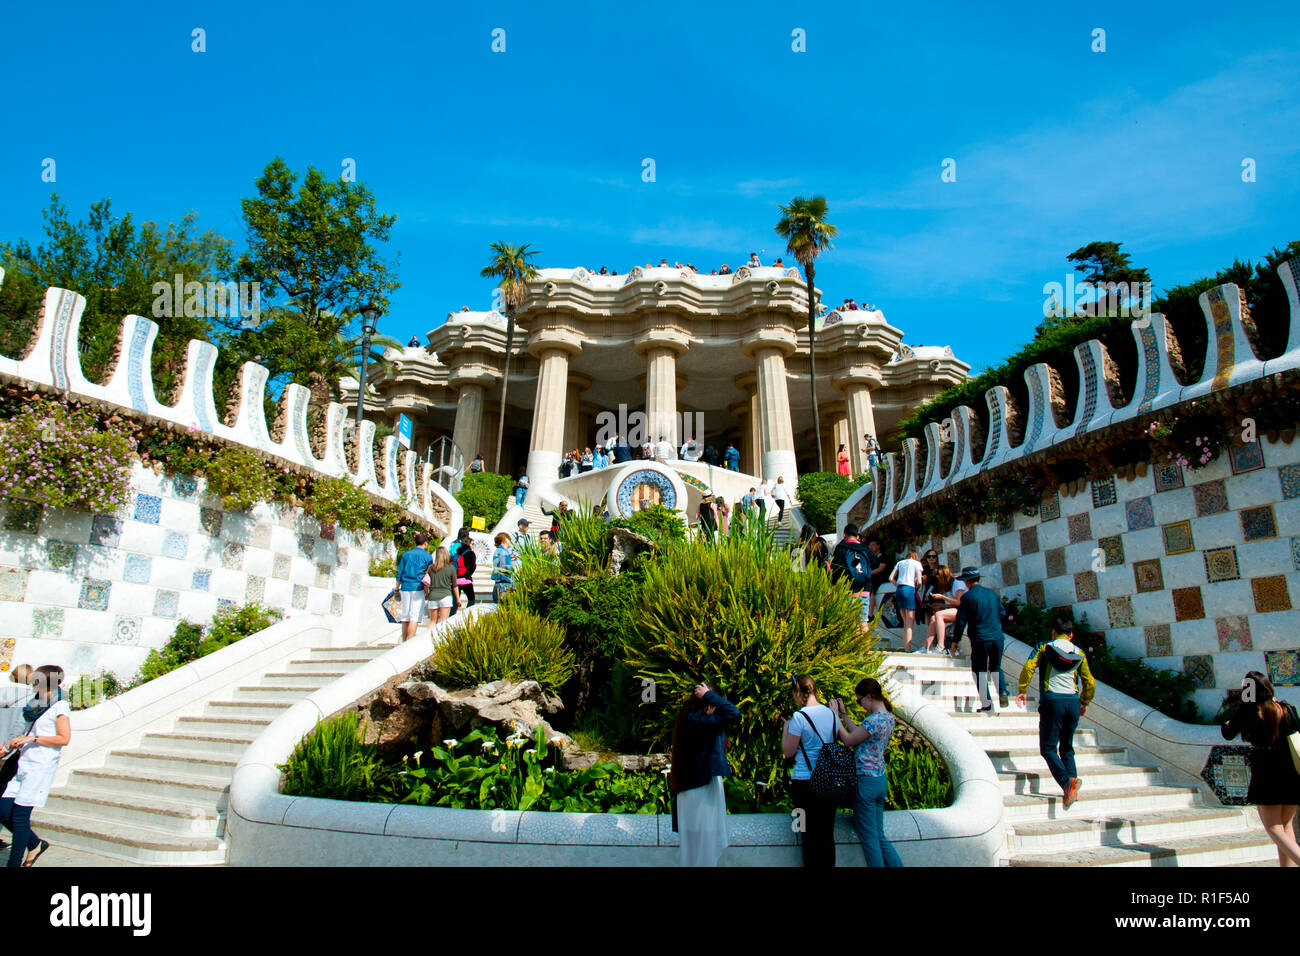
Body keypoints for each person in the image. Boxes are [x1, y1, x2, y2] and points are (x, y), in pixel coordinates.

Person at [1221, 671, 1300, 865]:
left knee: (1273, 828)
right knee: (1286, 826)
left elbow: (1227, 733)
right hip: (1291, 770)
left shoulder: (1247, 712)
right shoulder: (1287, 708)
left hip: (1266, 772)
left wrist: (1232, 710)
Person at [1016, 619, 1096, 811]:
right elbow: (1090, 682)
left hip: (1053, 702)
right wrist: (1084, 701)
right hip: (1073, 702)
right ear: (1071, 635)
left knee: (1048, 748)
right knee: (1067, 747)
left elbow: (1028, 667)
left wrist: (1022, 689)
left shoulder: (1044, 647)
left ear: (1053, 632)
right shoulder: (1080, 653)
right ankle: (1071, 790)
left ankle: (1067, 781)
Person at [0, 664, 70, 867]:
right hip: (24, 763)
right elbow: (21, 730)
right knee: (3, 810)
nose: (32, 684)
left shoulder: (60, 706)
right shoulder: (34, 704)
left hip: (40, 766)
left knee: (20, 816)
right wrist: (8, 747)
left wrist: (32, 739)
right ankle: (35, 843)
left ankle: (13, 863)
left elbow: (64, 738)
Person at [830, 679, 903, 867]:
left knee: (869, 839)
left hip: (865, 782)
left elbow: (848, 740)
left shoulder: (873, 720)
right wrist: (845, 716)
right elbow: (859, 733)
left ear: (869, 696)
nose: (860, 704)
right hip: (880, 780)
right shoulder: (887, 718)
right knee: (880, 836)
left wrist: (835, 716)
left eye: (859, 700)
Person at [669, 682, 740, 866]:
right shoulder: (697, 719)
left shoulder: (691, 717)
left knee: (695, 847)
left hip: (693, 787)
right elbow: (733, 713)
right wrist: (709, 695)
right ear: (708, 703)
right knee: (703, 845)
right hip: (699, 789)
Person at [782, 674, 838, 867]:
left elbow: (788, 751)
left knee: (806, 834)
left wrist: (785, 728)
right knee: (826, 834)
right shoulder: (831, 714)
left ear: (798, 693)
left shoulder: (798, 717)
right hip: (828, 782)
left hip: (803, 785)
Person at [951, 567, 1008, 712]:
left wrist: (955, 640)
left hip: (980, 638)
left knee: (979, 670)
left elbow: (961, 620)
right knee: (996, 666)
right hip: (997, 637)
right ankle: (1002, 692)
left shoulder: (968, 597)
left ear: (967, 582)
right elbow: (1002, 613)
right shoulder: (992, 595)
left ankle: (986, 704)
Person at [831, 523, 873, 629]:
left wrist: (833, 587)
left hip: (848, 590)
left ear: (845, 535)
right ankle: (865, 645)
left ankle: (855, 645)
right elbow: (872, 563)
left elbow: (835, 570)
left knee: (850, 622)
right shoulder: (865, 550)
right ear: (857, 536)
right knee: (863, 621)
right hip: (864, 589)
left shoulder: (841, 548)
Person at [395, 532, 432, 640]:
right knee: (414, 616)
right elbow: (427, 575)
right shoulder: (427, 556)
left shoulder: (406, 555)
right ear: (425, 543)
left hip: (405, 587)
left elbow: (399, 573)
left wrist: (397, 589)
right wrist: (427, 592)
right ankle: (410, 640)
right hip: (418, 587)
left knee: (405, 616)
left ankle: (404, 639)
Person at [889, 549, 924, 653]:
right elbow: (919, 581)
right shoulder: (916, 563)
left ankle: (906, 646)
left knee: (905, 622)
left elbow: (891, 578)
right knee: (909, 623)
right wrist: (916, 587)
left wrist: (898, 585)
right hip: (909, 590)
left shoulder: (900, 563)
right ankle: (908, 648)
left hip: (899, 590)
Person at [923, 565, 960, 654]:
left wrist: (942, 597)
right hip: (959, 609)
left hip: (965, 610)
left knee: (939, 615)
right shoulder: (952, 585)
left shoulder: (957, 582)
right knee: (933, 618)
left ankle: (940, 646)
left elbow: (959, 602)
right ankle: (926, 648)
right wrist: (942, 606)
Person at [425, 546, 459, 627]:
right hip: (445, 596)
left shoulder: (431, 568)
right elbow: (454, 585)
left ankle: (428, 637)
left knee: (432, 621)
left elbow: (425, 583)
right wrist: (458, 599)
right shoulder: (451, 568)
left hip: (433, 596)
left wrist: (427, 594)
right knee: (443, 622)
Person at [451, 528, 477, 608]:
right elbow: (472, 567)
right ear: (469, 544)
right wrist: (468, 573)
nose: (473, 546)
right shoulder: (471, 553)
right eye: (472, 544)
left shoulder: (457, 552)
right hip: (466, 579)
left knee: (455, 601)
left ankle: (451, 616)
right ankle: (467, 615)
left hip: (456, 579)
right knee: (471, 599)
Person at [865, 537, 889, 615]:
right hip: (871, 578)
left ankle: (870, 613)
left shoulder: (883, 556)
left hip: (880, 578)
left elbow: (881, 568)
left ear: (878, 546)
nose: (870, 547)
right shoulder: (870, 557)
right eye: (870, 545)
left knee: (871, 591)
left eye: (873, 545)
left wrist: (868, 573)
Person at [491, 532, 516, 603]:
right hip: (504, 584)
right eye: (509, 539)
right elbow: (508, 568)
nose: (510, 542)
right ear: (505, 539)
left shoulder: (497, 551)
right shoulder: (504, 552)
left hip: (497, 583)